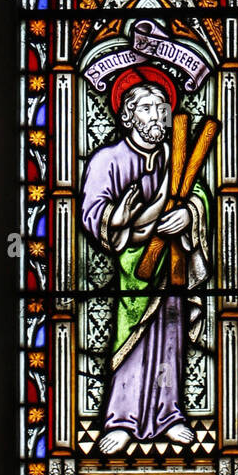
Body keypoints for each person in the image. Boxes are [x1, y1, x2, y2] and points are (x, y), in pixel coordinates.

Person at [80, 66, 210, 455]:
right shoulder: (108, 159)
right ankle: (121, 419)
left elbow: (198, 195)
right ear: (128, 116)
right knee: (132, 343)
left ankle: (169, 414)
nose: (158, 116)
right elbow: (92, 211)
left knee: (170, 340)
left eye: (162, 108)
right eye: (149, 109)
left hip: (172, 263)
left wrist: (189, 215)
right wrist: (118, 216)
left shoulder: (176, 157)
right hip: (134, 270)